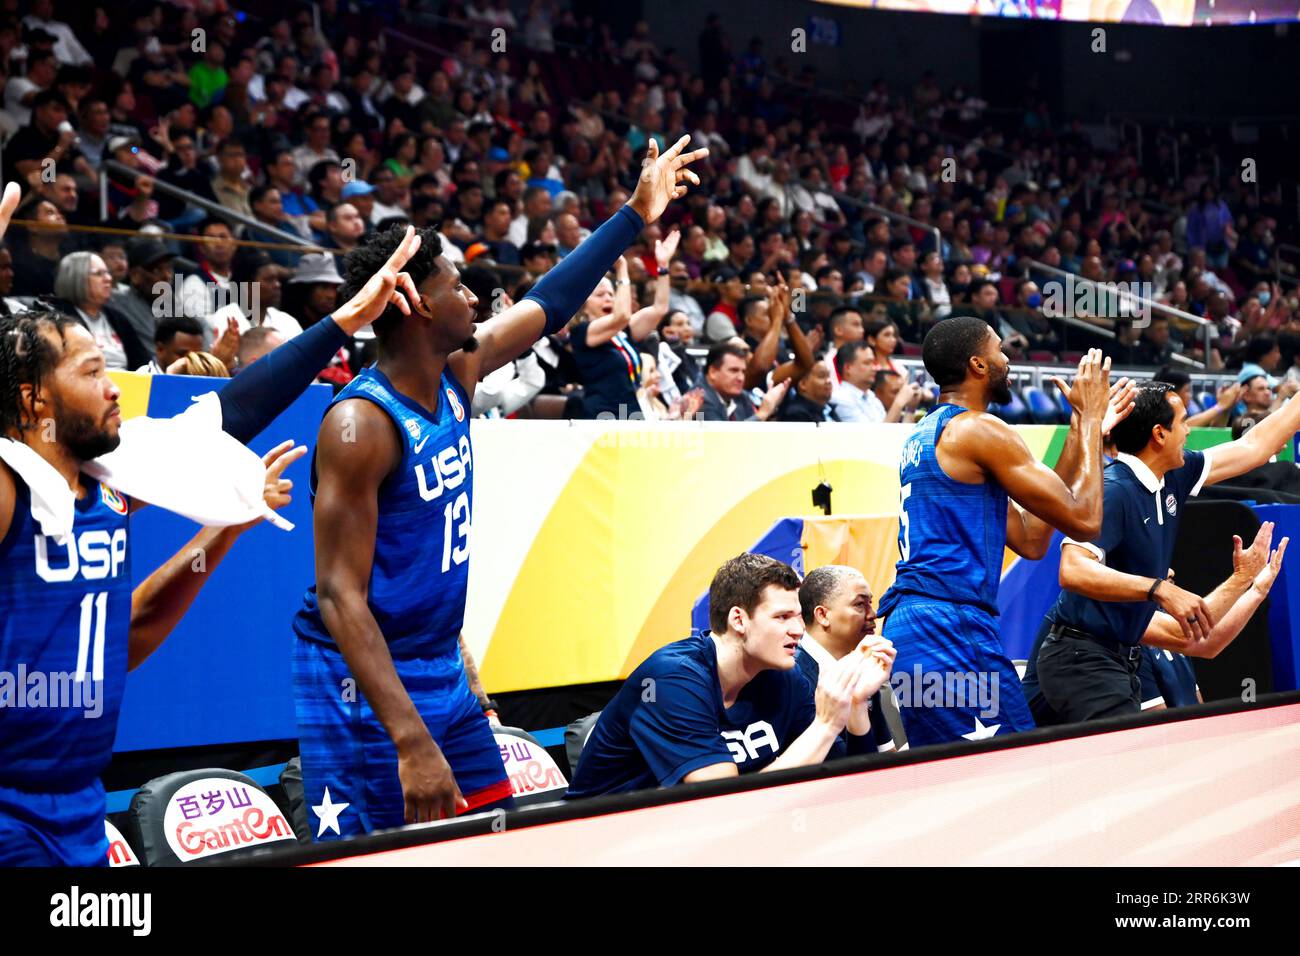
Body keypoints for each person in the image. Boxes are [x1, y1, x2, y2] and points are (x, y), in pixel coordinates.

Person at [0, 163, 417, 866]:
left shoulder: (111, 470)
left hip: (77, 810)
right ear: (35, 401)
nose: (115, 390)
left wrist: (343, 323)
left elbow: (236, 409)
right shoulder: (11, 484)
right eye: (92, 373)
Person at [292, 136, 708, 837]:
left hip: (439, 665)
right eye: (455, 284)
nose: (473, 294)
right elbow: (340, 596)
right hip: (365, 686)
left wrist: (635, 215)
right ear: (415, 305)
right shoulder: (359, 424)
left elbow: (551, 300)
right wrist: (411, 738)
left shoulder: (457, 373)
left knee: (495, 832)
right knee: (387, 855)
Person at [876, 318, 1128, 747]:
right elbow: (1085, 519)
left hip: (916, 628)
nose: (1007, 360)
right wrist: (1089, 420)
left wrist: (1078, 426)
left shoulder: (929, 433)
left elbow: (1032, 538)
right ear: (977, 364)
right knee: (1014, 770)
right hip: (950, 627)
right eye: (999, 351)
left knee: (959, 780)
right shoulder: (979, 429)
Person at [1038, 379, 1300, 722]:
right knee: (1132, 758)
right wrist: (1158, 590)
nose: (1190, 430)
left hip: (1119, 656)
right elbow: (1072, 570)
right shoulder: (1115, 491)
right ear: (1159, 434)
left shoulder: (1173, 475)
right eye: (1184, 421)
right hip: (1081, 656)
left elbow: (1253, 446)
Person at [565, 553, 895, 798]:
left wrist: (854, 704)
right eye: (782, 617)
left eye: (798, 616)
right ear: (739, 620)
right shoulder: (672, 679)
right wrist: (825, 726)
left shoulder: (784, 677)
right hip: (603, 845)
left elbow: (847, 787)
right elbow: (726, 802)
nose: (798, 630)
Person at [570, 233, 675, 420]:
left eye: (611, 293)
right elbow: (622, 316)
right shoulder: (582, 333)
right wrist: (622, 267)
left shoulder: (623, 331)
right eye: (600, 294)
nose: (608, 298)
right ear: (584, 304)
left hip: (631, 415)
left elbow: (660, 308)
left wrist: (663, 267)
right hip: (601, 418)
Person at [795, 565, 897, 753]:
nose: (873, 613)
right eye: (860, 604)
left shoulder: (862, 669)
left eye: (870, 603)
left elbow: (886, 754)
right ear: (823, 615)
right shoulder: (792, 679)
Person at [698, 342, 789, 422]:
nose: (741, 378)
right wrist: (762, 414)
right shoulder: (698, 401)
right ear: (713, 372)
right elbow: (720, 439)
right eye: (734, 370)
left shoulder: (742, 396)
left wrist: (771, 408)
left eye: (743, 372)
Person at [139, 315, 205, 374]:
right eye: (182, 354)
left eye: (197, 355)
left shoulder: (206, 379)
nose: (190, 361)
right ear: (160, 349)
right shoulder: (140, 379)